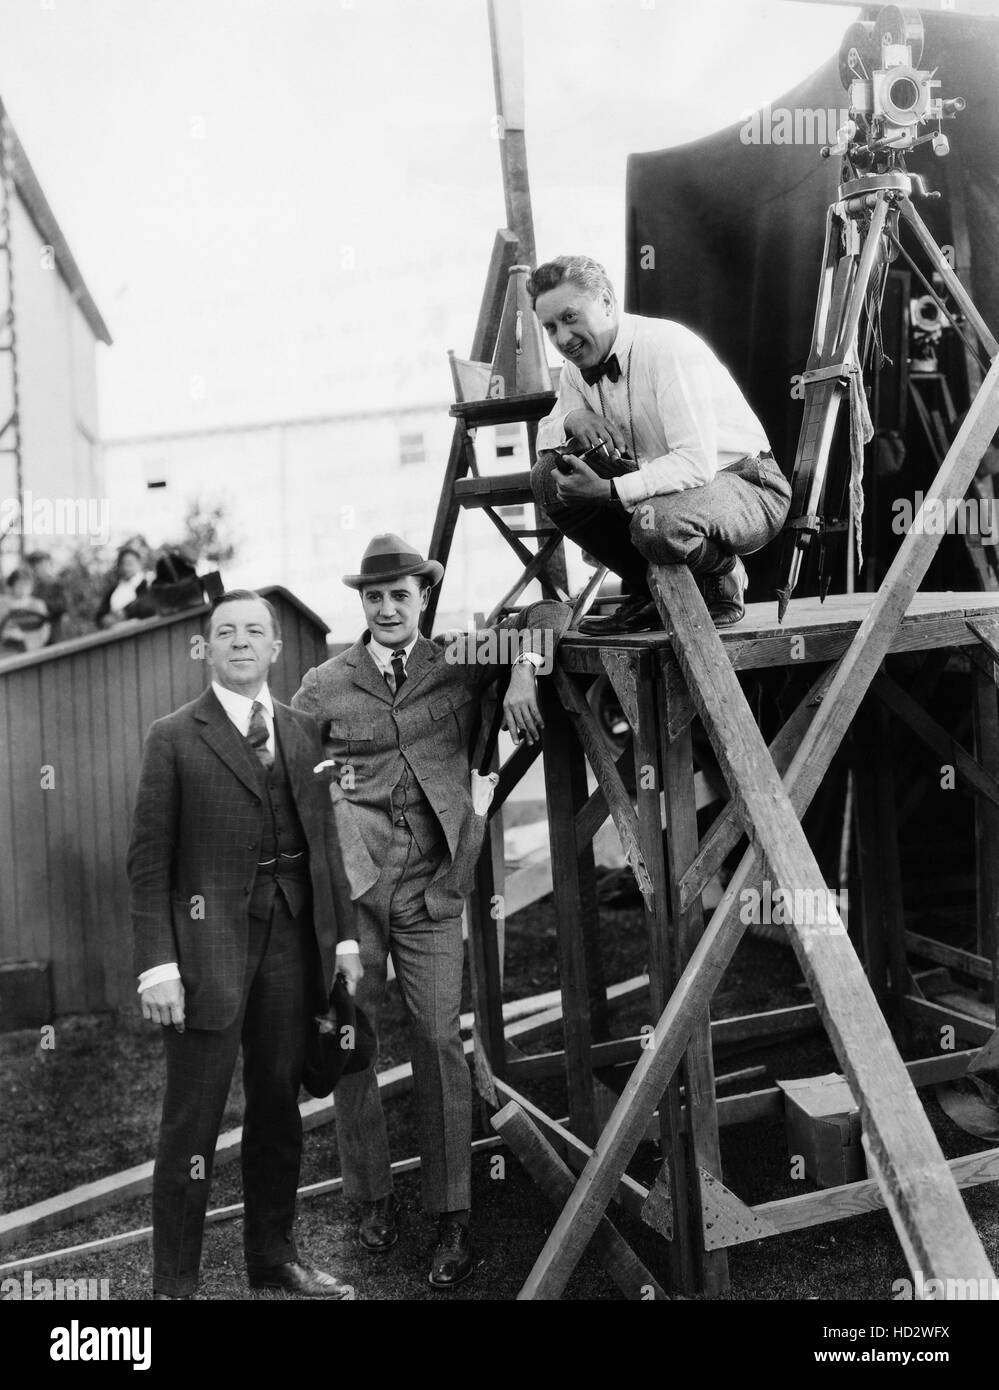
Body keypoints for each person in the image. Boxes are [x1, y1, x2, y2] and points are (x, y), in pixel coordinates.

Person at [292, 533, 569, 1290]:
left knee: (440, 1041)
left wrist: (521, 670)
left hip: (433, 890)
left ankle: (452, 1215)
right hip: (355, 902)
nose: (386, 608)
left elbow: (554, 603)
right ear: (362, 604)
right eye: (374, 597)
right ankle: (371, 1200)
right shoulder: (324, 685)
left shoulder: (460, 658)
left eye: (400, 596)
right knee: (350, 1039)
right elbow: (282, 770)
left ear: (423, 599)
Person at [128, 589, 357, 1300]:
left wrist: (343, 942)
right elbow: (148, 863)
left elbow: (325, 845)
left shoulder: (299, 731)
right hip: (205, 955)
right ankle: (174, 1287)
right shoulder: (174, 735)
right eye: (224, 632)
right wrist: (158, 966)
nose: (239, 642)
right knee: (191, 1123)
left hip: (291, 942)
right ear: (206, 647)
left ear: (274, 649)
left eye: (253, 631)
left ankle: (272, 1257)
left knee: (277, 1107)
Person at [528, 255, 791, 630]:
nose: (563, 339)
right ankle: (652, 589)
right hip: (665, 490)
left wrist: (609, 489)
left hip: (746, 483)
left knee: (655, 522)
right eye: (550, 327)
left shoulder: (665, 347)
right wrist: (572, 418)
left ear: (605, 302)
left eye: (570, 318)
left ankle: (723, 575)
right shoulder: (576, 366)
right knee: (548, 477)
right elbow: (546, 436)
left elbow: (695, 463)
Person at [97, 546, 151, 628]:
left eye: (129, 564)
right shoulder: (114, 589)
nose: (125, 568)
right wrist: (105, 619)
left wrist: (126, 612)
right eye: (122, 564)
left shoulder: (147, 582)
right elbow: (100, 614)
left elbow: (148, 604)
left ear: (139, 564)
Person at [0, 567, 52, 653]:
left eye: (27, 585)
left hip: (31, 653)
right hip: (5, 653)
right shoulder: (2, 605)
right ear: (12, 585)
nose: (24, 589)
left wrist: (24, 637)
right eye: (20, 585)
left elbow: (45, 631)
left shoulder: (37, 605)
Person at [25, 551, 67, 644]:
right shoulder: (30, 588)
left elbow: (62, 607)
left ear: (46, 563)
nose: (36, 568)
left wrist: (42, 606)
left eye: (39, 563)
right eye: (33, 565)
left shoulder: (56, 584)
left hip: (53, 634)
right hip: (34, 637)